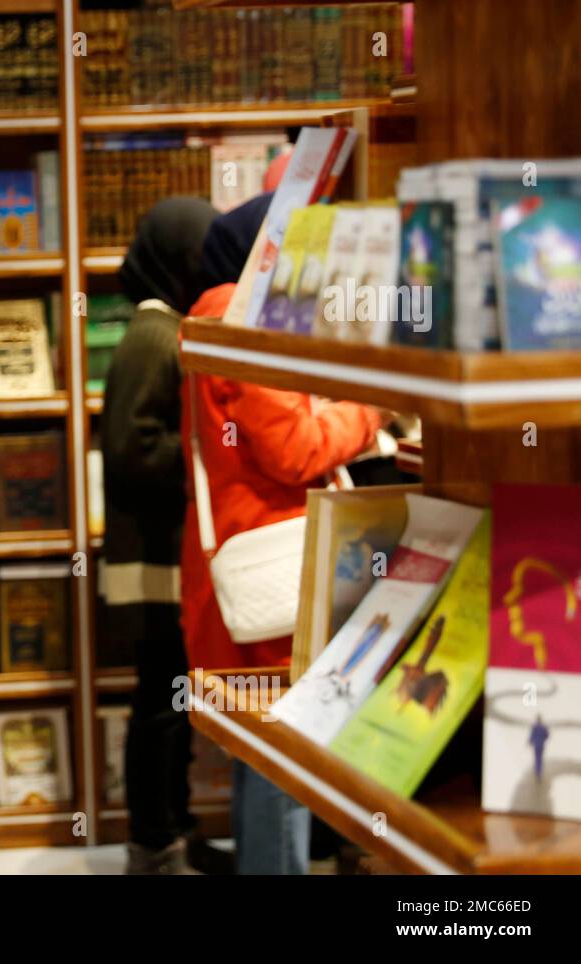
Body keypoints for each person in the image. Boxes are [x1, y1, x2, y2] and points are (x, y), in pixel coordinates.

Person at [181, 194, 383, 874]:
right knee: (285, 746)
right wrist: (368, 407)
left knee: (262, 743)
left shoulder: (216, 314)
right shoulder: (248, 316)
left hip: (249, 548)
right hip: (279, 555)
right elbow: (294, 449)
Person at [103, 196, 216, 874]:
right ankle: (154, 843)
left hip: (163, 554)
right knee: (161, 703)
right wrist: (206, 451)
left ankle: (176, 827)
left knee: (173, 701)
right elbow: (131, 448)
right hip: (153, 558)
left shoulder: (169, 326)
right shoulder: (154, 335)